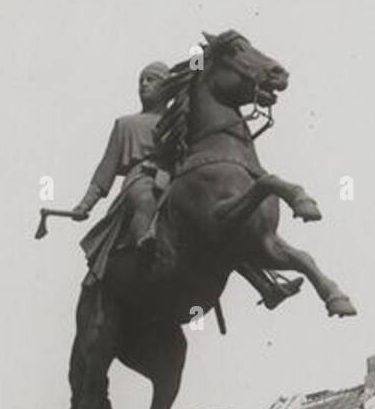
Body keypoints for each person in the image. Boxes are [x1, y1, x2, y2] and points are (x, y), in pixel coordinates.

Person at [71, 61, 301, 309]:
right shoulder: (126, 124)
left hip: (176, 178)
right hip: (143, 177)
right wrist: (85, 204)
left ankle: (267, 285)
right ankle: (144, 245)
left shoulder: (181, 121)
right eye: (142, 80)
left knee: (218, 226)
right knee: (144, 200)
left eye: (152, 79)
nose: (145, 84)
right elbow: (105, 170)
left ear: (167, 86)